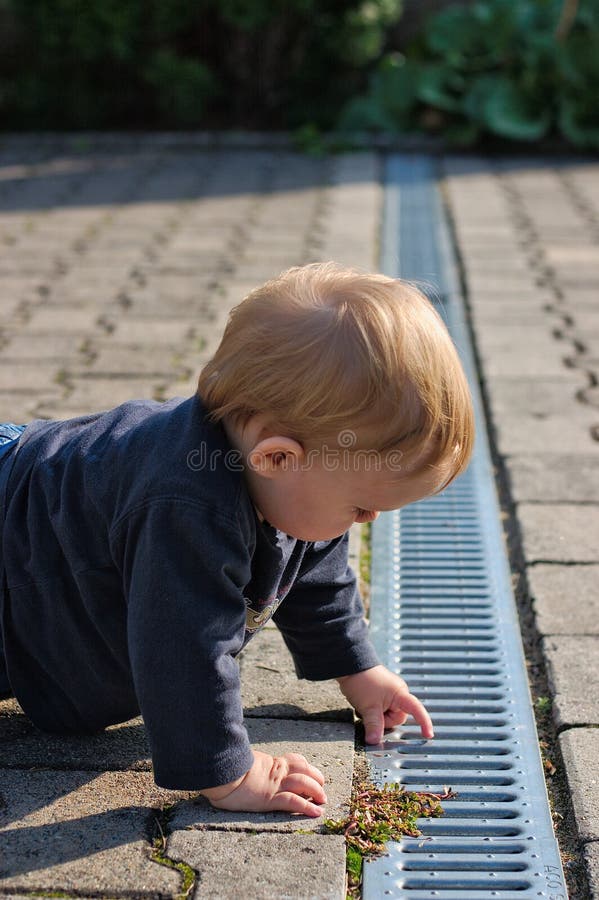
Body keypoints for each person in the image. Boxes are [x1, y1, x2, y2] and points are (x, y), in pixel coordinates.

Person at [0, 262, 474, 817]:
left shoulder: (288, 480)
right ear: (277, 457)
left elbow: (316, 569)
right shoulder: (185, 510)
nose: (366, 520)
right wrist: (229, 772)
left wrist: (358, 669)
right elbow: (182, 646)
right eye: (361, 506)